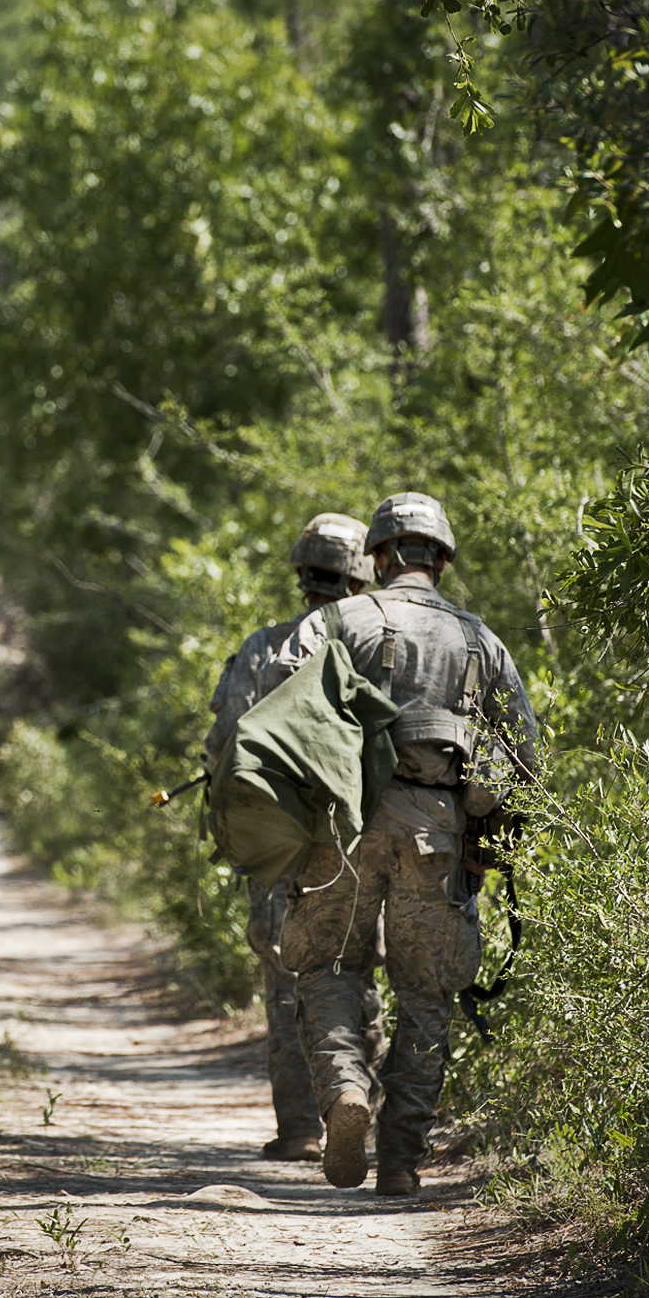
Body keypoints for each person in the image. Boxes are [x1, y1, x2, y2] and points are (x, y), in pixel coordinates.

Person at [273, 492, 540, 1194]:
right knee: (425, 995)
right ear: (442, 559)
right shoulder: (481, 640)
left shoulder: (336, 620)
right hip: (437, 834)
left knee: (329, 971)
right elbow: (524, 759)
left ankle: (342, 1095)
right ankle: (399, 1161)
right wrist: (491, 846)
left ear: (379, 556)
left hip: (340, 829)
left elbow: (274, 711)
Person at [202, 512, 381, 1163]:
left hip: (282, 847)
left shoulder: (260, 648)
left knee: (286, 980)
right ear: (361, 570)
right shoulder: (378, 642)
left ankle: (302, 1127)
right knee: (357, 973)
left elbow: (225, 744)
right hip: (365, 838)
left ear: (302, 571)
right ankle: (360, 1105)